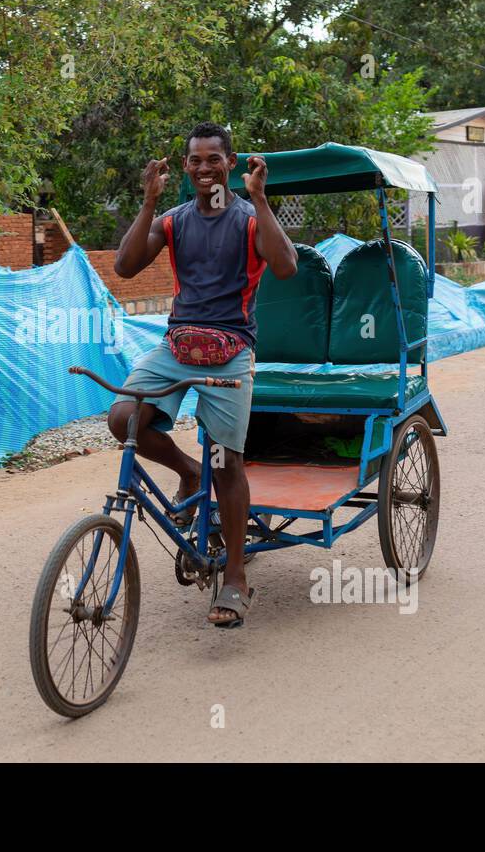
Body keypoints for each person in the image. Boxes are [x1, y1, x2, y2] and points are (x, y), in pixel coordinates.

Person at [109, 121, 297, 627]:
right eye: (195, 160)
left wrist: (260, 200)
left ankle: (234, 576)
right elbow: (124, 267)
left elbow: (286, 267)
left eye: (214, 158)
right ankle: (189, 473)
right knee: (124, 417)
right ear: (186, 167)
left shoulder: (249, 219)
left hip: (232, 349)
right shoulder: (172, 220)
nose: (204, 167)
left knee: (229, 461)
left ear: (231, 163)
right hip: (178, 344)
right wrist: (147, 200)